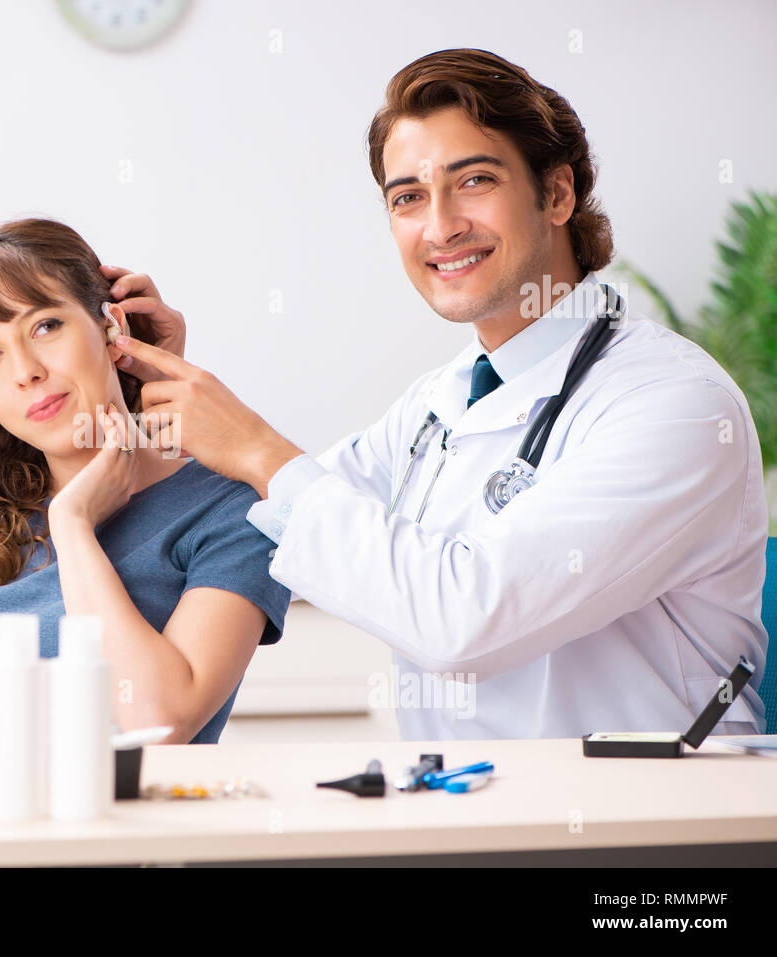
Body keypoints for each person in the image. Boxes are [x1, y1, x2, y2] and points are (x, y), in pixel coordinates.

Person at [100, 49, 768, 740]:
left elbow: (462, 622)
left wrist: (255, 444)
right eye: (408, 197)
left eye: (473, 180)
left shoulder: (674, 403)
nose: (441, 226)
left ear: (558, 194)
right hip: (466, 813)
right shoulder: (436, 404)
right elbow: (255, 520)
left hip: (651, 826)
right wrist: (144, 389)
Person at [0, 218, 291, 744]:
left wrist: (73, 525)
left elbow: (155, 723)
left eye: (45, 326)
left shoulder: (235, 513)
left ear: (111, 328)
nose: (24, 371)